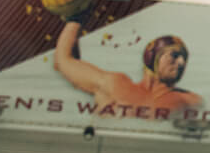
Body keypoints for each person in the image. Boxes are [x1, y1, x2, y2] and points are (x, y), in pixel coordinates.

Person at [51, 15, 202, 117]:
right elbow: (62, 61)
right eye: (174, 56)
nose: (182, 63)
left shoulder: (189, 101)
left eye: (184, 59)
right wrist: (76, 17)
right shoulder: (114, 84)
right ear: (152, 56)